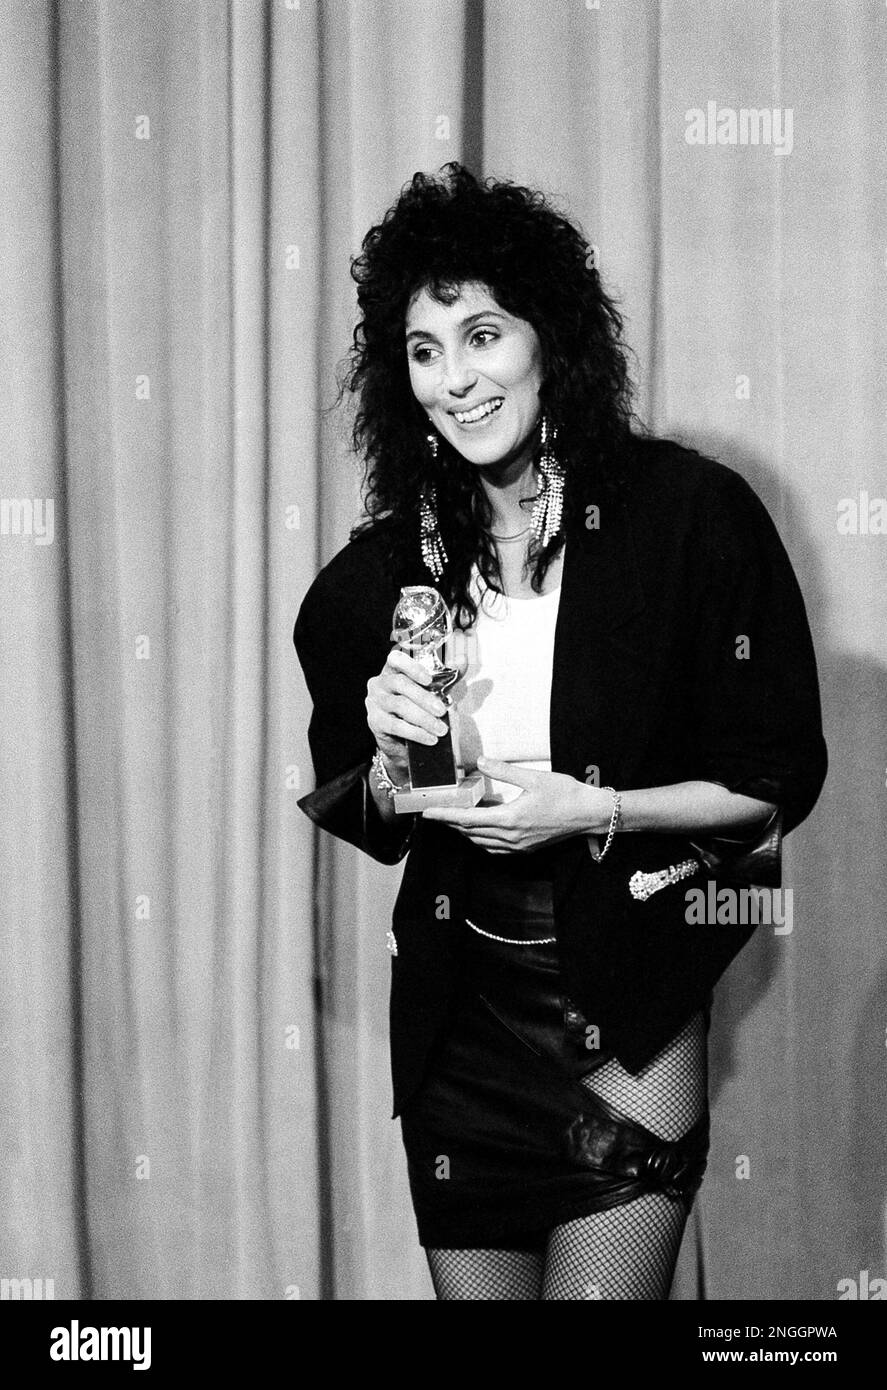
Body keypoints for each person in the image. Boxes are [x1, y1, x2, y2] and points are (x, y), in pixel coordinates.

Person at [293, 162, 827, 1300]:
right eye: (424, 351)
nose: (454, 379)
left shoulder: (688, 519)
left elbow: (773, 782)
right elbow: (363, 802)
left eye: (482, 334)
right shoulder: (386, 574)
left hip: (617, 1023)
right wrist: (389, 765)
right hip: (459, 1039)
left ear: (551, 339)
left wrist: (598, 810)